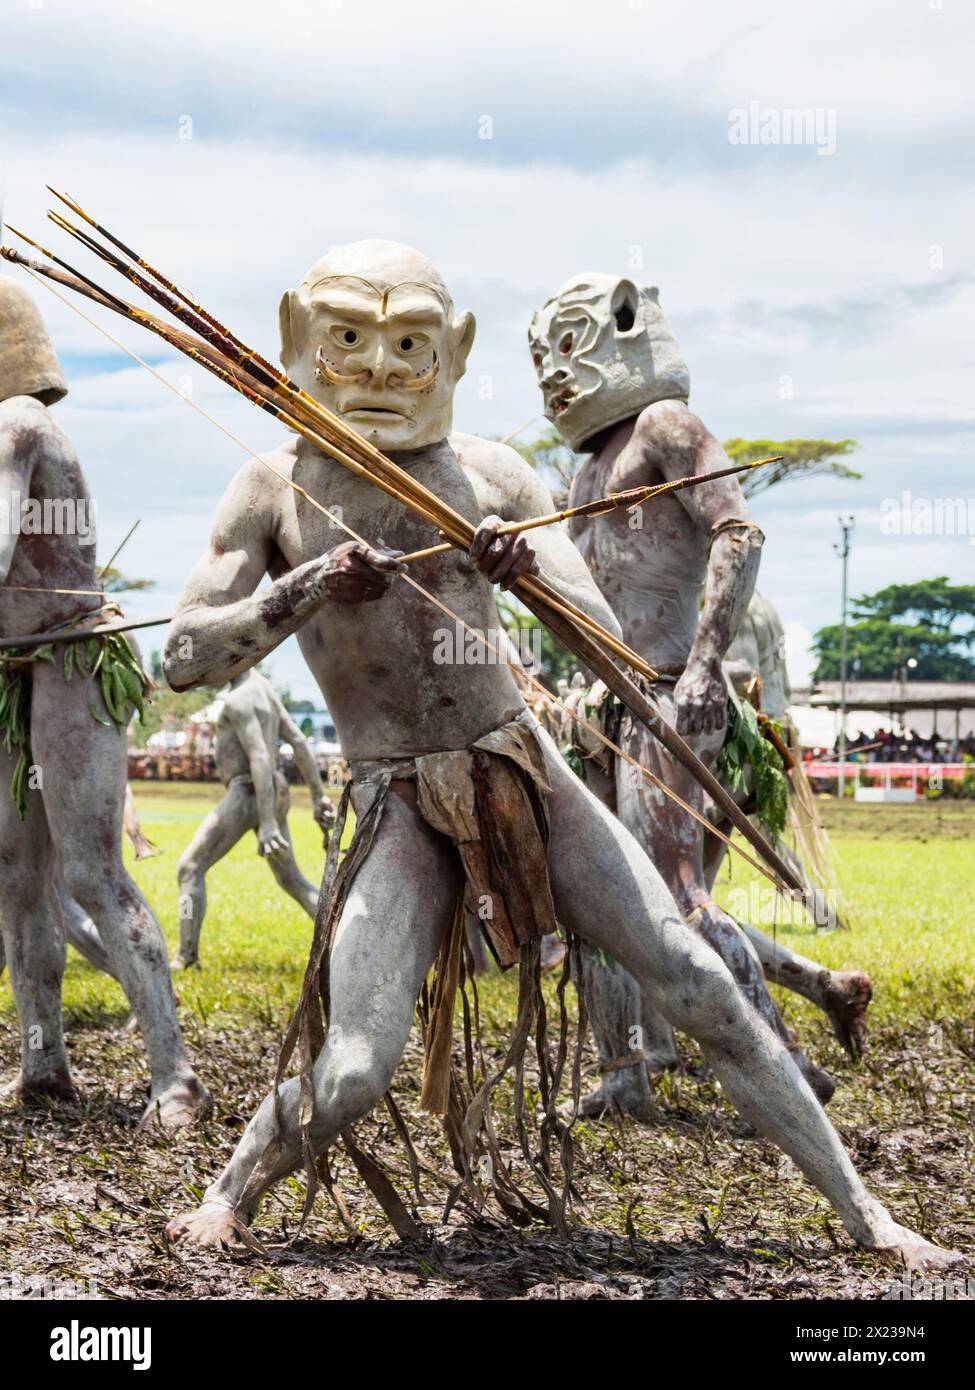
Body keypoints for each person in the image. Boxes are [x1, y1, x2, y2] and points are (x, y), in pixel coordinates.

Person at [162, 240, 955, 1270]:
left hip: (522, 766)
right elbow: (183, 653)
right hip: (396, 796)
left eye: (410, 344)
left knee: (694, 977)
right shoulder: (272, 489)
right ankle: (228, 1194)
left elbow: (603, 640)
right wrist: (300, 591)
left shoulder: (489, 472)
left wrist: (526, 566)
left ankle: (869, 1215)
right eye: (351, 340)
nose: (385, 369)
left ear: (453, 350)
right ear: (299, 340)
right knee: (356, 1066)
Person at [0, 276, 208, 1126]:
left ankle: (175, 1076)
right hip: (19, 669)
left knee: (91, 870)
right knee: (18, 874)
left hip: (73, 665)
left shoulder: (17, 423)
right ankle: (43, 1058)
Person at [173, 667, 334, 969]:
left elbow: (259, 755)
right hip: (272, 790)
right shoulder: (262, 686)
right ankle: (339, 939)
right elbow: (298, 741)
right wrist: (317, 795)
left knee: (188, 870)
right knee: (292, 880)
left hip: (248, 792)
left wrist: (268, 822)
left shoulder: (238, 698)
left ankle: (185, 954)